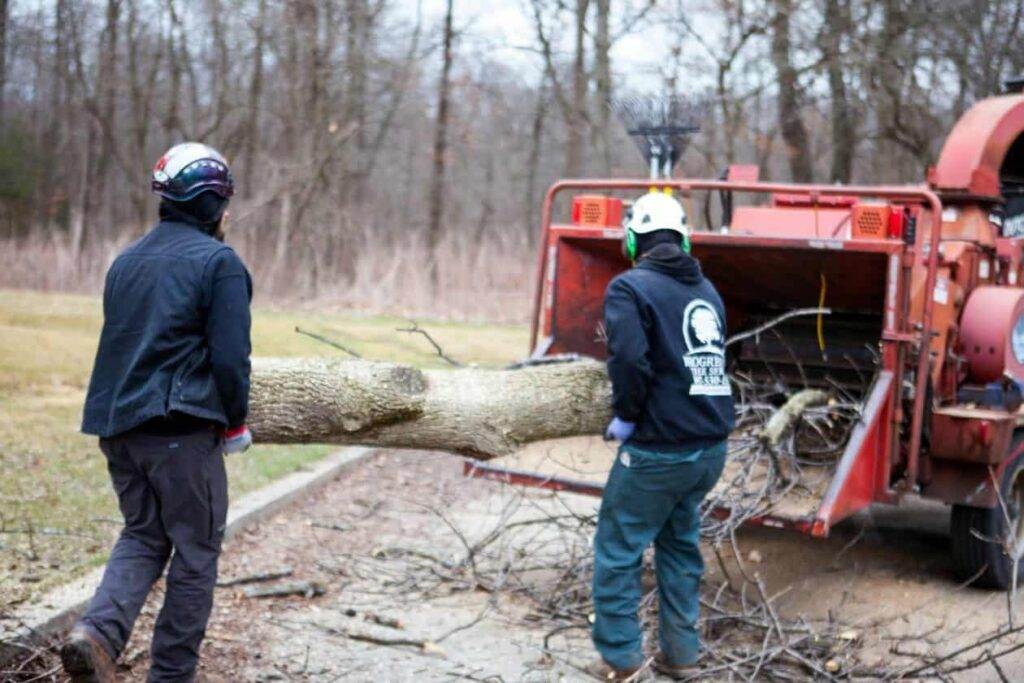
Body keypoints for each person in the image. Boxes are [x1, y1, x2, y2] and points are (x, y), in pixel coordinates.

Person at [61, 143, 253, 683]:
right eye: (227, 201)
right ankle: (170, 675)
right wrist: (234, 424)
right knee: (195, 552)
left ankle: (97, 635)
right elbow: (231, 360)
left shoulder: (126, 261)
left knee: (143, 534)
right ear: (213, 203)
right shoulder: (220, 265)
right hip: (180, 432)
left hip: (118, 428)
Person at [590, 191, 735, 680]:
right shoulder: (709, 291)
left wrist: (627, 414)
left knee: (618, 549)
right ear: (685, 237)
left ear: (633, 239)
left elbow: (629, 360)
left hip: (659, 449)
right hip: (709, 449)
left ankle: (621, 662)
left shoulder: (629, 288)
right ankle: (682, 656)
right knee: (678, 548)